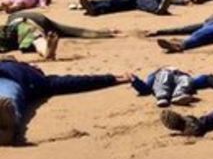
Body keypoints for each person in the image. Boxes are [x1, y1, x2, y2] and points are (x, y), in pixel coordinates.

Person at [0, 60, 132, 146]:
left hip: (12, 84)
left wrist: (112, 78)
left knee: (9, 97)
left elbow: (73, 82)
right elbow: (73, 82)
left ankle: (7, 127)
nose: (37, 66)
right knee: (10, 96)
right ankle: (7, 124)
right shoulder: (34, 75)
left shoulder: (43, 81)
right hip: (12, 82)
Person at [6, 11, 117, 39]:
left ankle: (106, 32)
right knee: (68, 30)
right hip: (35, 17)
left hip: (29, 21)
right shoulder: (10, 21)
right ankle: (106, 32)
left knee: (35, 38)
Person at [131, 67, 209, 107]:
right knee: (163, 78)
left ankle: (178, 95)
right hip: (164, 74)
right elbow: (145, 89)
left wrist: (206, 78)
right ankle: (162, 97)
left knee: (186, 81)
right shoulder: (155, 76)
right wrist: (135, 81)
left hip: (180, 75)